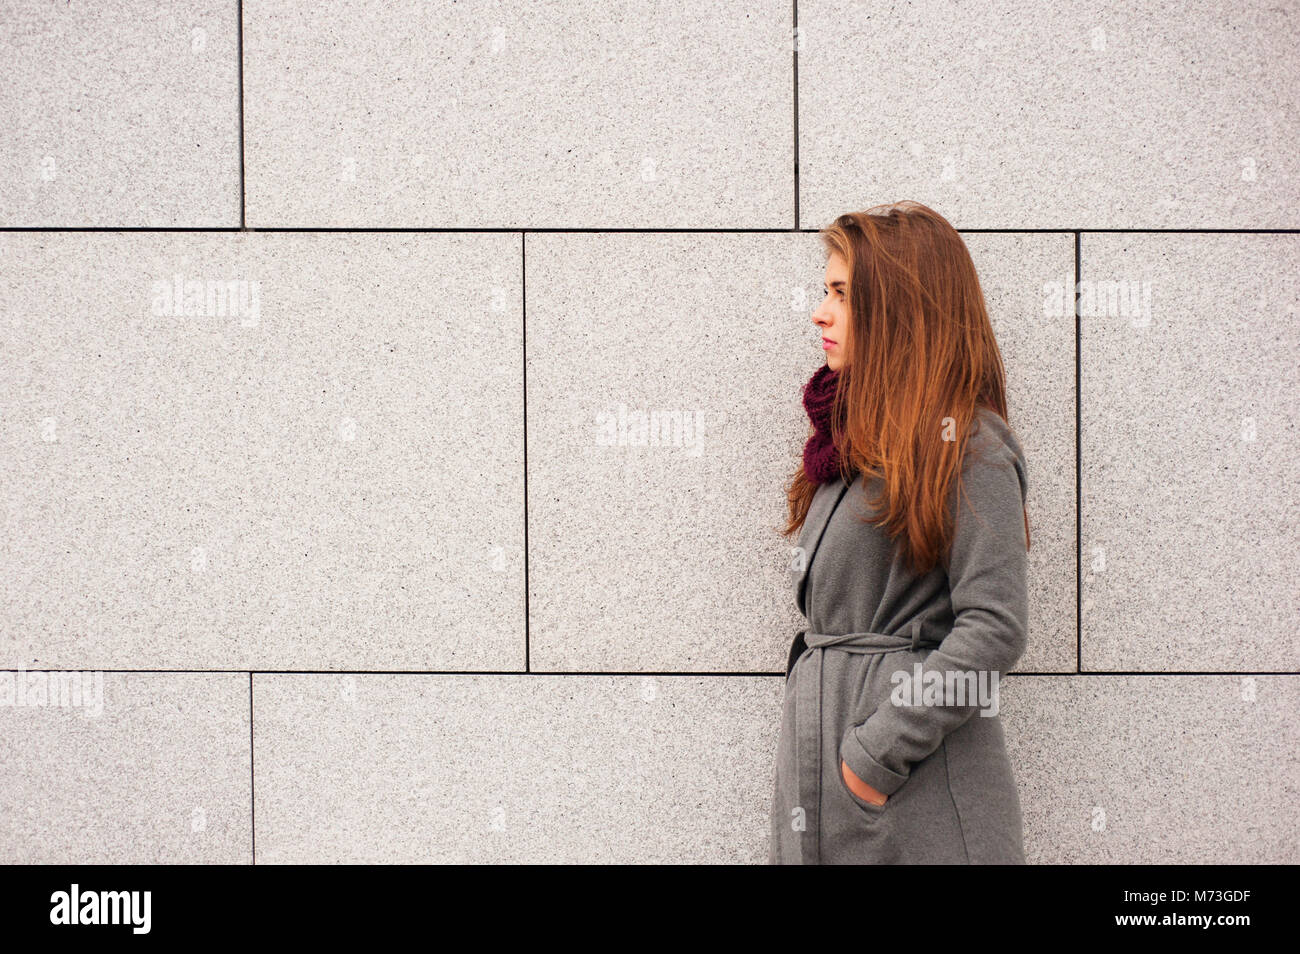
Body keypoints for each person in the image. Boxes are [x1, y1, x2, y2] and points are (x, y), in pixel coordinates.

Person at [769, 201, 1032, 864]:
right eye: (822, 292)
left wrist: (872, 757)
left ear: (897, 309)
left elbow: (994, 627)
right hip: (823, 782)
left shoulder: (967, 445)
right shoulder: (848, 444)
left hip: (907, 795)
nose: (819, 313)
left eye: (840, 294)